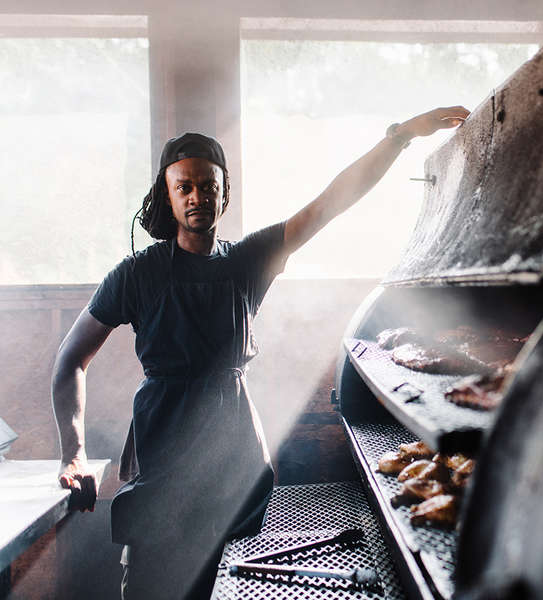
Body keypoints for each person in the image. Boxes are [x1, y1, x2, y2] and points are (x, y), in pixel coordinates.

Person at [50, 106, 469, 599]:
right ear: (168, 195)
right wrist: (74, 452)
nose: (197, 196)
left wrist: (400, 137)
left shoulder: (248, 261)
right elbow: (71, 360)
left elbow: (328, 205)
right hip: (160, 448)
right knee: (148, 580)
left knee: (210, 579)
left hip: (229, 450)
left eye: (208, 185)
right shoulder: (136, 274)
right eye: (184, 186)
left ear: (224, 192)